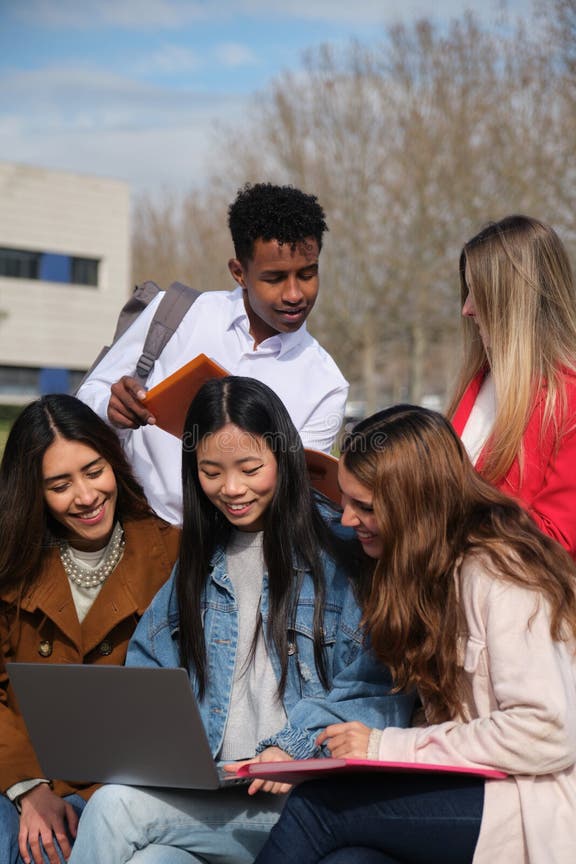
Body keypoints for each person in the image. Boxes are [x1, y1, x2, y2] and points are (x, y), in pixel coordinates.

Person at [67, 377, 414, 864]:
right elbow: (149, 672)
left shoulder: (345, 550)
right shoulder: (198, 560)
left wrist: (294, 747)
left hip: (306, 801)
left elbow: (380, 693)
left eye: (250, 468)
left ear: (285, 459)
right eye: (211, 472)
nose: (231, 489)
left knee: (113, 806)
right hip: (218, 797)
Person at [253, 404, 576, 864]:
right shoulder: (422, 570)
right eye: (345, 500)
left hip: (532, 804)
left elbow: (547, 730)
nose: (346, 519)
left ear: (415, 505)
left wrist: (387, 745)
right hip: (470, 791)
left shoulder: (501, 574)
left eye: (364, 506)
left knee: (317, 809)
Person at [77, 182, 349, 524]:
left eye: (307, 274)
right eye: (275, 278)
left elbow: (300, 494)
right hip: (139, 529)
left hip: (234, 557)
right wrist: (110, 407)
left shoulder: (327, 383)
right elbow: (88, 395)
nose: (295, 294)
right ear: (239, 273)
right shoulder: (175, 314)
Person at [0, 395, 180, 864]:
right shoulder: (9, 560)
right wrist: (29, 789)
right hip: (19, 775)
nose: (85, 496)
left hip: (124, 786)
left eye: (94, 471)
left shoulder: (173, 553)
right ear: (31, 490)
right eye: (59, 484)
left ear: (115, 462)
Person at [447, 214, 576, 558]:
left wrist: (446, 519)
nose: (466, 309)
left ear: (514, 301)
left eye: (479, 294)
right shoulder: (479, 381)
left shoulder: (568, 399)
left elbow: (556, 538)